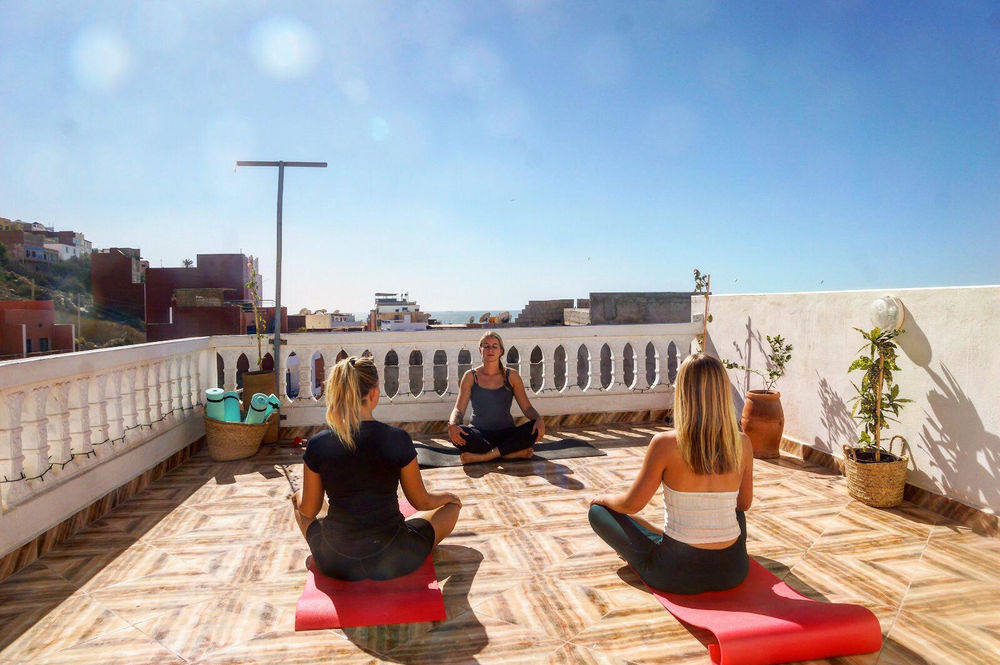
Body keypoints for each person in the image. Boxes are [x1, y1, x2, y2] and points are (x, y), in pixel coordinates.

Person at [588, 353, 753, 594]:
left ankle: (660, 537)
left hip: (676, 575)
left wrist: (603, 499)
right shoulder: (743, 443)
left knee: (598, 512)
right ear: (722, 394)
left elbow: (631, 504)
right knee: (735, 512)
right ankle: (667, 534)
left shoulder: (665, 444)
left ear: (683, 393)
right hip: (733, 571)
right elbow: (743, 504)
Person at [292, 356, 462, 581]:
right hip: (393, 557)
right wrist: (450, 497)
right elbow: (421, 502)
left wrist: (300, 499)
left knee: (298, 498)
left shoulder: (318, 444)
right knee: (451, 508)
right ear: (373, 394)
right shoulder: (398, 438)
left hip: (336, 561)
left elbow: (309, 511)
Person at [447, 331, 546, 464]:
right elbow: (458, 409)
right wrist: (452, 424)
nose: (490, 350)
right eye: (486, 346)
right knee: (458, 433)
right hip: (479, 434)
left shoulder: (511, 376)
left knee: (533, 428)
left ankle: (484, 456)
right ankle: (509, 453)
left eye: (494, 346)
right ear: (480, 350)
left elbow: (527, 408)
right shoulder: (470, 376)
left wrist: (538, 419)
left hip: (507, 433)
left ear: (501, 351)